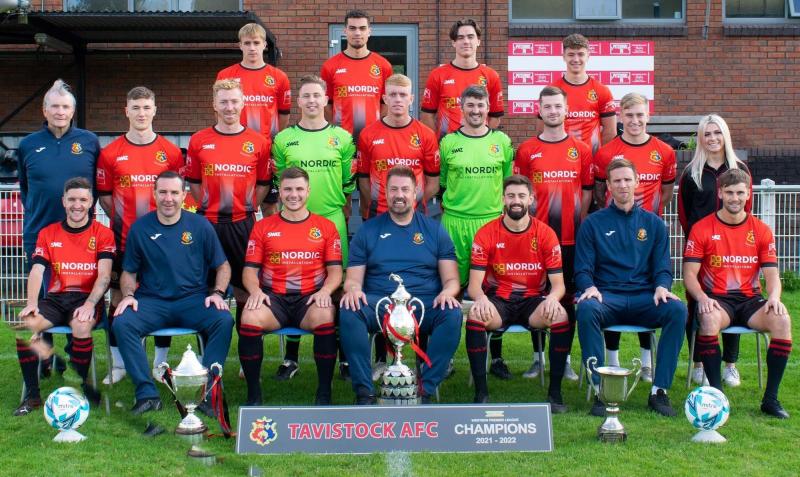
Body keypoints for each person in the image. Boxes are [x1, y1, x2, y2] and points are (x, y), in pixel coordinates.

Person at [112, 171, 234, 415]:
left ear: (184, 195)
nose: (169, 198)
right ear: (154, 195)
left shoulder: (200, 226)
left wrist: (218, 293)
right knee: (122, 322)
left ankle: (207, 393)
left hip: (193, 301)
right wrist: (128, 296)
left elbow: (223, 266)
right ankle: (147, 395)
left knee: (223, 319)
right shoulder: (140, 228)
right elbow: (129, 272)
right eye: (163, 192)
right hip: (153, 301)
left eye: (174, 193)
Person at [339, 166, 462, 404]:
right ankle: (365, 392)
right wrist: (353, 290)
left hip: (422, 303)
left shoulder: (435, 230)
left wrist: (448, 292)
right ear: (384, 192)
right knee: (349, 309)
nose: (399, 194)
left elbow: (451, 279)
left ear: (416, 192)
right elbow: (353, 279)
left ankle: (425, 389)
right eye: (393, 189)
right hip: (380, 303)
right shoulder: (368, 230)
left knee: (452, 312)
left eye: (405, 189)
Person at [575, 159, 687, 417]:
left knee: (677, 310)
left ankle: (659, 391)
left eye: (628, 179)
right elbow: (582, 268)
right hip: (607, 298)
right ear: (608, 187)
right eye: (617, 181)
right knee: (587, 308)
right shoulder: (592, 223)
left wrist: (661, 286)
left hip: (643, 298)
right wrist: (588, 287)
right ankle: (600, 391)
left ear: (638, 182)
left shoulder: (654, 224)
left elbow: (662, 266)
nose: (623, 185)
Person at [684, 169, 791, 418]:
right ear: (720, 193)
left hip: (751, 301)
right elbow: (689, 274)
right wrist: (702, 298)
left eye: (740, 193)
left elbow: (773, 276)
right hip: (718, 300)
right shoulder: (702, 228)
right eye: (730, 192)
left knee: (782, 321)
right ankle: (717, 398)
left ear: (748, 193)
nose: (735, 198)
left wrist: (774, 298)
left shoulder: (761, 230)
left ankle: (771, 400)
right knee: (708, 318)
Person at [96, 86, 184, 385]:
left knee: (162, 293)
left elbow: (176, 195)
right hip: (124, 237)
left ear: (155, 110)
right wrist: (126, 221)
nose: (141, 113)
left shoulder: (171, 152)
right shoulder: (111, 152)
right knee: (118, 297)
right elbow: (106, 197)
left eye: (147, 107)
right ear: (127, 111)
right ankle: (119, 364)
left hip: (164, 239)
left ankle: (160, 364)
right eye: (136, 108)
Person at [271, 74, 355, 379]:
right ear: (298, 102)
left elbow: (348, 185)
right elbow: (279, 183)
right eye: (305, 96)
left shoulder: (342, 138)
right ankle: (291, 358)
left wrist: (336, 211)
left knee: (338, 287)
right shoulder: (283, 139)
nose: (311, 101)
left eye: (316, 96)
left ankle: (344, 357)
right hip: (292, 223)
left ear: (326, 100)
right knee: (292, 284)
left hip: (330, 219)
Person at [507, 85, 592, 382]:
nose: (553, 111)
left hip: (569, 240)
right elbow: (521, 195)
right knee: (536, 296)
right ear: (539, 110)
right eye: (548, 106)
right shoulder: (528, 149)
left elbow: (587, 193)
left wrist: (577, 226)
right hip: (536, 240)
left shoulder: (580, 150)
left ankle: (564, 358)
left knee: (566, 299)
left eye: (558, 106)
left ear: (566, 110)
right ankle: (537, 358)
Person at [238, 167, 342, 406]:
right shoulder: (263, 227)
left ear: (308, 191)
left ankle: (324, 393)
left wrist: (325, 292)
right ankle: (254, 395)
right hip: (275, 300)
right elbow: (249, 272)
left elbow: (336, 272)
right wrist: (255, 292)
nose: (293, 194)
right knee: (250, 317)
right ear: (280, 192)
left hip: (310, 299)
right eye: (287, 189)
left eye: (298, 189)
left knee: (325, 314)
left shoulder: (325, 227)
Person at [466, 175, 572, 410]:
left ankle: (555, 394)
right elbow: (474, 286)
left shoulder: (545, 234)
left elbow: (559, 285)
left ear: (531, 199)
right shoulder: (486, 233)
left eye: (521, 196)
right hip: (497, 301)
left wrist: (553, 299)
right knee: (474, 315)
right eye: (511, 195)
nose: (516, 201)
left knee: (561, 315)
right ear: (503, 198)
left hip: (532, 301)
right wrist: (481, 299)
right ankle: (481, 394)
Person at [17, 79, 100, 377]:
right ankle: (45, 359)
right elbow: (27, 190)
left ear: (73, 111)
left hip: (79, 239)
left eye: (66, 106)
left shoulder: (89, 141)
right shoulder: (27, 145)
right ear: (45, 109)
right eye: (55, 106)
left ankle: (71, 354)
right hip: (40, 237)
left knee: (73, 298)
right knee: (42, 302)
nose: (60, 111)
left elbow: (97, 188)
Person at [593, 92, 677, 383]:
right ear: (621, 117)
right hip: (613, 230)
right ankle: (612, 361)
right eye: (629, 115)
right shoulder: (606, 152)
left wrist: (649, 213)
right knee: (613, 282)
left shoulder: (664, 151)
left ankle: (647, 363)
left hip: (647, 230)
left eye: (640, 115)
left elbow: (666, 192)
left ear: (648, 116)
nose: (635, 121)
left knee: (646, 285)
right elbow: (600, 193)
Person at [13, 177, 114, 416]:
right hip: (56, 299)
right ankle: (32, 395)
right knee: (25, 326)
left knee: (81, 326)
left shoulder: (103, 233)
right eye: (72, 199)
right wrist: (31, 304)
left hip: (86, 298)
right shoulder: (48, 233)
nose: (76, 204)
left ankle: (80, 387)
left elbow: (105, 276)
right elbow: (37, 270)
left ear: (91, 203)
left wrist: (90, 304)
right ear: (63, 201)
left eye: (82, 199)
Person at [185, 79, 272, 340]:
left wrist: (244, 207)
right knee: (208, 287)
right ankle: (209, 350)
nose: (229, 107)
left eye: (234, 101)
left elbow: (263, 185)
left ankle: (247, 350)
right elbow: (195, 185)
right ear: (214, 104)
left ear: (243, 103)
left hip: (243, 224)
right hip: (207, 224)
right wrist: (210, 208)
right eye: (224, 101)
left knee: (245, 287)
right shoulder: (199, 140)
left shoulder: (258, 142)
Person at [678, 114, 752, 387]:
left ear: (725, 135)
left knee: (734, 299)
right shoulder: (691, 173)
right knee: (696, 304)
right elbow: (684, 213)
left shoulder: (739, 168)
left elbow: (747, 211)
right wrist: (699, 240)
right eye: (707, 134)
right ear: (700, 138)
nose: (712, 138)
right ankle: (698, 362)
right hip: (699, 252)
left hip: (732, 251)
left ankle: (730, 365)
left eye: (717, 133)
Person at [439, 85, 513, 287]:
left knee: (492, 284)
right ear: (461, 108)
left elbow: (507, 182)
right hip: (455, 222)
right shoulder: (448, 142)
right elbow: (443, 182)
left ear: (488, 107)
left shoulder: (502, 141)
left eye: (480, 105)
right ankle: (456, 319)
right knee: (453, 283)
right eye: (470, 105)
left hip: (491, 221)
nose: (475, 110)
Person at [216, 22, 291, 216]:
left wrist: (275, 145)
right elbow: (221, 110)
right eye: (247, 43)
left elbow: (284, 115)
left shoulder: (278, 77)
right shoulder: (226, 75)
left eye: (256, 43)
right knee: (235, 201)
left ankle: (270, 244)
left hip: (266, 150)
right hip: (234, 150)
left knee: (270, 205)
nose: (251, 48)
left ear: (264, 45)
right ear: (240, 45)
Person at [357, 73, 440, 219]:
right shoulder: (367, 134)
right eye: (393, 94)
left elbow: (433, 184)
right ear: (385, 99)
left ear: (411, 99)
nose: (398, 99)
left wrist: (411, 204)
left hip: (415, 215)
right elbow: (363, 182)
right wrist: (381, 203)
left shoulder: (426, 135)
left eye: (403, 95)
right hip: (379, 215)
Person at [420, 18, 504, 138]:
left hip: (479, 147)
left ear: (478, 41)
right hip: (449, 148)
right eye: (460, 38)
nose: (466, 41)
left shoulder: (491, 76)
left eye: (470, 37)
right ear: (453, 43)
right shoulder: (437, 75)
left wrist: (483, 140)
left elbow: (495, 116)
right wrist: (440, 143)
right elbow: (427, 116)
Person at [320, 9, 393, 143]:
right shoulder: (330, 66)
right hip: (340, 140)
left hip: (375, 139)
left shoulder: (383, 66)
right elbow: (326, 105)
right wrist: (337, 128)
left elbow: (387, 104)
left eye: (362, 28)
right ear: (345, 31)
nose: (357, 33)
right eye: (352, 28)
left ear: (369, 32)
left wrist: (377, 128)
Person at [536, 33, 616, 153]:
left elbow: (610, 131)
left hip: (591, 159)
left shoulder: (601, 90)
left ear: (588, 56)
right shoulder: (552, 90)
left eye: (580, 54)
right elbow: (541, 130)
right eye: (571, 54)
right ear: (563, 56)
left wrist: (599, 156)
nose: (576, 59)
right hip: (560, 156)